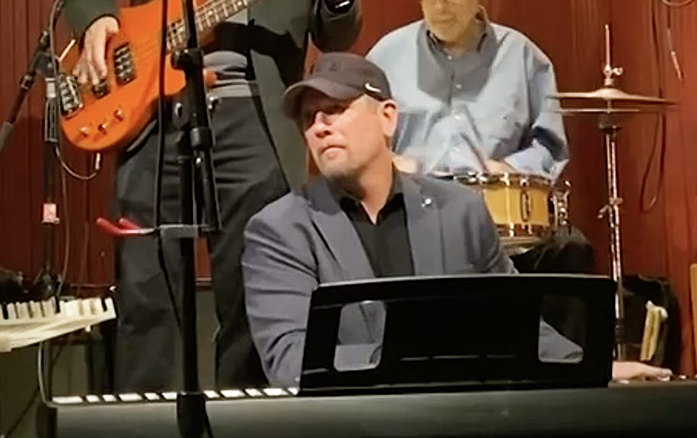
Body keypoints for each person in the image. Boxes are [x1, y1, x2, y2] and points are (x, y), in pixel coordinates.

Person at [63, 0, 362, 392]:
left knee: (256, 294)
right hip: (153, 117)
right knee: (147, 294)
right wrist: (94, 23)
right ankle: (149, 428)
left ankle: (246, 428)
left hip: (252, 119)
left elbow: (333, 39)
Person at [241, 52, 670, 387]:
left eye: (335, 108)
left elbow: (516, 324)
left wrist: (595, 368)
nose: (319, 126)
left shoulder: (459, 210)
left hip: (458, 426)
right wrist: (418, 359)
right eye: (308, 117)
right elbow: (290, 362)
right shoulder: (279, 230)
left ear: (387, 117)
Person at [364, 0, 592, 295]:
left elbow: (550, 145)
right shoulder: (385, 56)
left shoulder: (522, 57)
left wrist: (513, 169)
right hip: (409, 215)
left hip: (497, 222)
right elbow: (360, 140)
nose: (440, 8)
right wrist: (387, 161)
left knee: (572, 253)